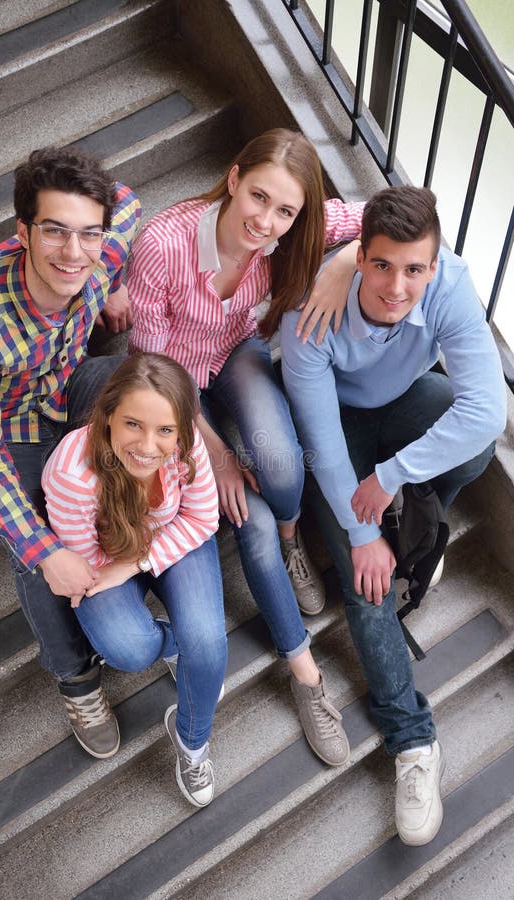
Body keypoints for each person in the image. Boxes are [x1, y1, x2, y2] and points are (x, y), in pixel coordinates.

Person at [127, 129, 363, 766]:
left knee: (283, 472)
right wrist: (215, 453)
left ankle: (292, 540)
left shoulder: (294, 229)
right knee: (247, 521)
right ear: (233, 179)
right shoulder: (163, 246)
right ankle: (309, 678)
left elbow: (396, 213)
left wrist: (344, 258)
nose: (266, 222)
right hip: (171, 386)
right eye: (258, 197)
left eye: (285, 211)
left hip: (236, 354)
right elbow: (152, 368)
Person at [280, 185, 507, 845]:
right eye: (381, 265)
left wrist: (390, 478)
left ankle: (418, 539)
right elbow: (321, 445)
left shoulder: (448, 281)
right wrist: (359, 535)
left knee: (472, 435)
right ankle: (412, 740)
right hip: (339, 426)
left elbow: (487, 411)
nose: (396, 286)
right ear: (359, 257)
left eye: (414, 269)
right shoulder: (310, 316)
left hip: (405, 406)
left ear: (433, 266)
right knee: (365, 579)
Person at [0, 146, 141, 759]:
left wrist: (112, 289)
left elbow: (125, 202)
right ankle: (76, 677)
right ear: (22, 232)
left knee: (147, 393)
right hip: (11, 424)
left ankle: (145, 559)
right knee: (31, 542)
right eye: (54, 232)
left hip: (69, 383)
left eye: (87, 235)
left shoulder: (100, 254)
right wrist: (48, 552)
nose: (74, 253)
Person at [41, 353, 227, 807]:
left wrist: (137, 562)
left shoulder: (184, 446)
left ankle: (191, 742)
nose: (148, 445)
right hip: (104, 560)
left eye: (165, 430)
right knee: (129, 647)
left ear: (182, 428)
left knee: (209, 643)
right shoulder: (72, 475)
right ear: (108, 418)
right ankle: (175, 647)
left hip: (174, 535)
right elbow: (89, 570)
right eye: (133, 425)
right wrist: (125, 565)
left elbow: (202, 517)